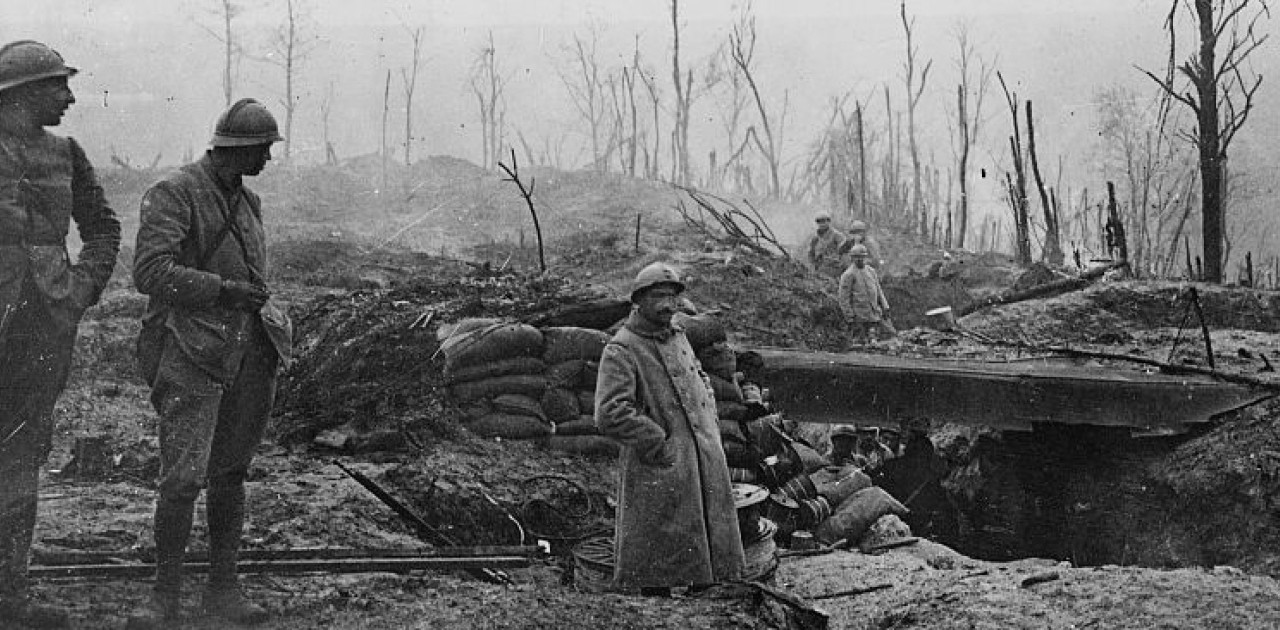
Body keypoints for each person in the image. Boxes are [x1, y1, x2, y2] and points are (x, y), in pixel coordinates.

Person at [128, 98, 293, 628]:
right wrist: (223, 291)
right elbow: (151, 272)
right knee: (181, 480)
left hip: (249, 354)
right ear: (238, 149)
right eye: (263, 149)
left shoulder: (251, 204)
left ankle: (223, 591)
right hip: (191, 352)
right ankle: (163, 597)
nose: (269, 158)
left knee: (231, 475)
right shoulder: (175, 193)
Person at [0, 40, 121, 629]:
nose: (70, 97)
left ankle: (11, 595)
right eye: (58, 86)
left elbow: (103, 227)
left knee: (22, 453)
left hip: (43, 323)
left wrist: (79, 292)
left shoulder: (67, 154)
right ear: (21, 93)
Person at [595, 262, 744, 595]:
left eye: (671, 297)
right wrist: (658, 442)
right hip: (660, 462)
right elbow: (609, 412)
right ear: (639, 301)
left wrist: (710, 417)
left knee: (703, 540)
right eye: (657, 297)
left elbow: (698, 374)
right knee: (658, 548)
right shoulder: (623, 348)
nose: (666, 305)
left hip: (700, 453)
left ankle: (704, 590)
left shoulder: (678, 335)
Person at [838, 244, 896, 345]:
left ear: (865, 257)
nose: (860, 259)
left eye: (862, 257)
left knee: (883, 336)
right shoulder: (848, 275)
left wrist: (885, 307)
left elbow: (879, 291)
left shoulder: (871, 271)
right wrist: (849, 316)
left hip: (873, 313)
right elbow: (844, 298)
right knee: (859, 342)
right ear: (852, 258)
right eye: (856, 257)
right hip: (859, 317)